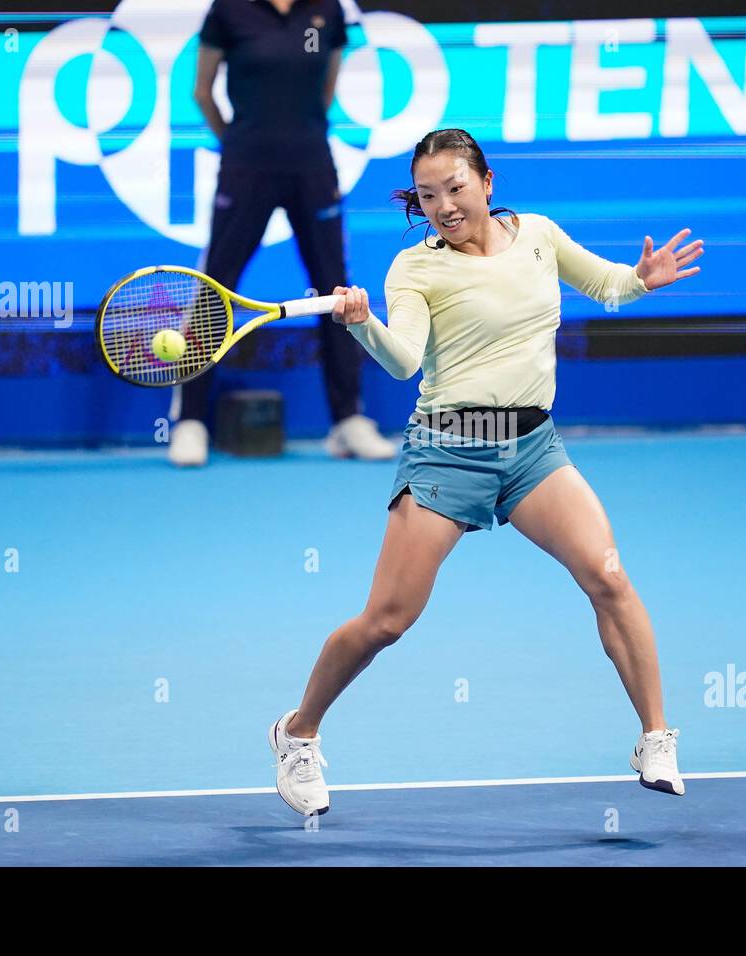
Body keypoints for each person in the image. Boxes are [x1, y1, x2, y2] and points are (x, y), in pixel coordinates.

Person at [266, 128, 705, 816]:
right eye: (428, 194)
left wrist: (641, 279)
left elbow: (608, 286)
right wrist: (359, 323)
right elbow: (406, 361)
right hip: (447, 452)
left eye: (455, 187)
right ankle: (298, 732)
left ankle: (655, 735)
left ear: (487, 181)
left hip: (532, 449)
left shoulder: (537, 235)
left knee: (609, 577)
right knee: (387, 621)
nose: (442, 205)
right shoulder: (416, 268)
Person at [173, 0, 395, 466]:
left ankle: (347, 421)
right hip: (245, 167)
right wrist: (237, 140)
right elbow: (202, 91)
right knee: (217, 283)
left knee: (336, 288)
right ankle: (190, 420)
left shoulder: (327, 11)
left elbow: (325, 90)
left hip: (312, 166)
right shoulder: (229, 11)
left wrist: (298, 132)